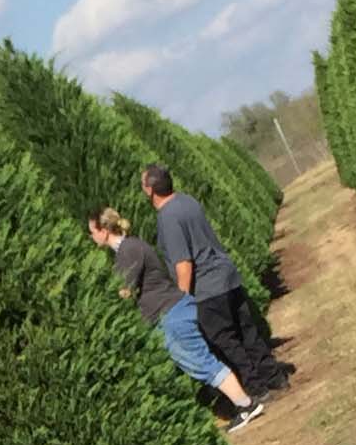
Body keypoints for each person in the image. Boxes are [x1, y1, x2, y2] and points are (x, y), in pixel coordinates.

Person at [87, 208, 260, 428]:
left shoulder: (128, 250)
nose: (91, 237)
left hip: (170, 314)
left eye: (92, 231)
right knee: (202, 361)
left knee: (201, 362)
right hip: (173, 310)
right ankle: (241, 403)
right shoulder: (132, 246)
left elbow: (125, 290)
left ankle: (246, 405)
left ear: (103, 231)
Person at [137, 164, 277, 406]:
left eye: (142, 184)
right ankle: (274, 377)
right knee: (247, 331)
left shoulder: (168, 217)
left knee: (226, 341)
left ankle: (256, 388)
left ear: (150, 190)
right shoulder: (187, 201)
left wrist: (183, 299)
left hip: (207, 287)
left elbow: (183, 264)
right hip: (227, 275)